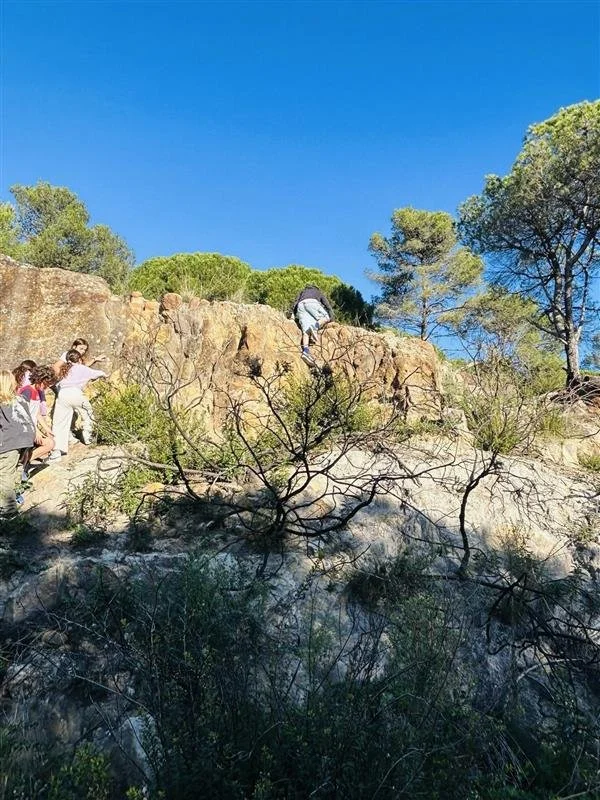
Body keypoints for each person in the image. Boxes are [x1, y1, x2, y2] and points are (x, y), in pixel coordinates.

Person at [50, 350, 107, 460]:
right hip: (75, 393)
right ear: (79, 359)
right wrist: (104, 374)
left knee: (59, 422)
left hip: (62, 394)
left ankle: (57, 450)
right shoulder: (81, 368)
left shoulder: (64, 369)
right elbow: (95, 373)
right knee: (87, 413)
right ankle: (87, 437)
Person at [0, 370, 35, 518]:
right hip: (27, 439)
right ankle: (15, 500)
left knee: (5, 473)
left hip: (11, 440)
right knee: (15, 471)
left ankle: (9, 511)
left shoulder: (2, 401)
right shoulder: (21, 399)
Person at [18, 365, 57, 478]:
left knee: (50, 443)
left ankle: (24, 463)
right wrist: (36, 431)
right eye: (45, 384)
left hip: (32, 428)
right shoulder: (27, 391)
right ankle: (22, 464)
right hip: (24, 428)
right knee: (47, 444)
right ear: (39, 379)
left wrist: (47, 429)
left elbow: (37, 413)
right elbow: (23, 413)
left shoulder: (37, 391)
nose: (46, 387)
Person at [291, 285, 334, 365]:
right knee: (326, 316)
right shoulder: (318, 292)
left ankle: (306, 352)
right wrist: (332, 317)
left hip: (301, 305)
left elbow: (295, 301)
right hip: (312, 303)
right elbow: (327, 304)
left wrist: (292, 314)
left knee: (306, 331)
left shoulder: (302, 292)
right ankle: (315, 326)